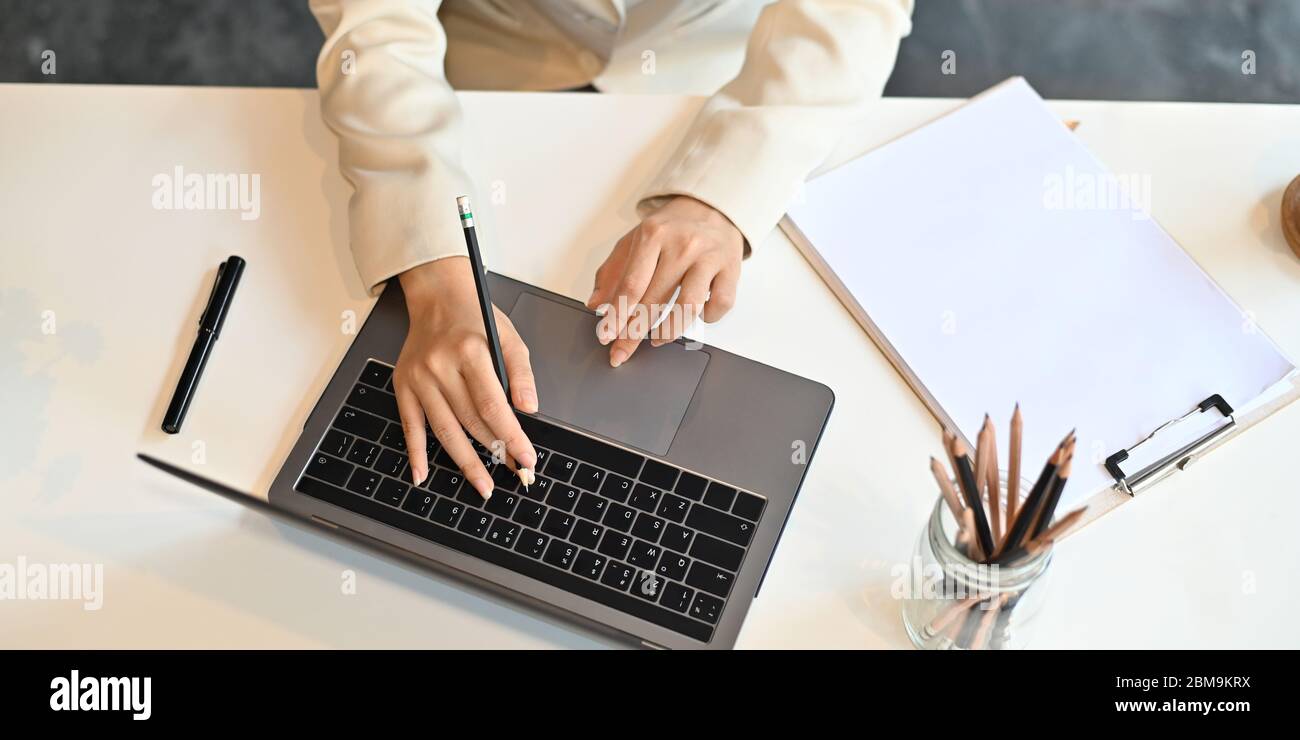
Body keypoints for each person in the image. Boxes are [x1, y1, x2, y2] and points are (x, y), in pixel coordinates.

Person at [309, 0, 913, 499]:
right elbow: (377, 28)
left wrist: (722, 191)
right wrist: (436, 273)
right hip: (489, 65)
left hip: (717, 69)